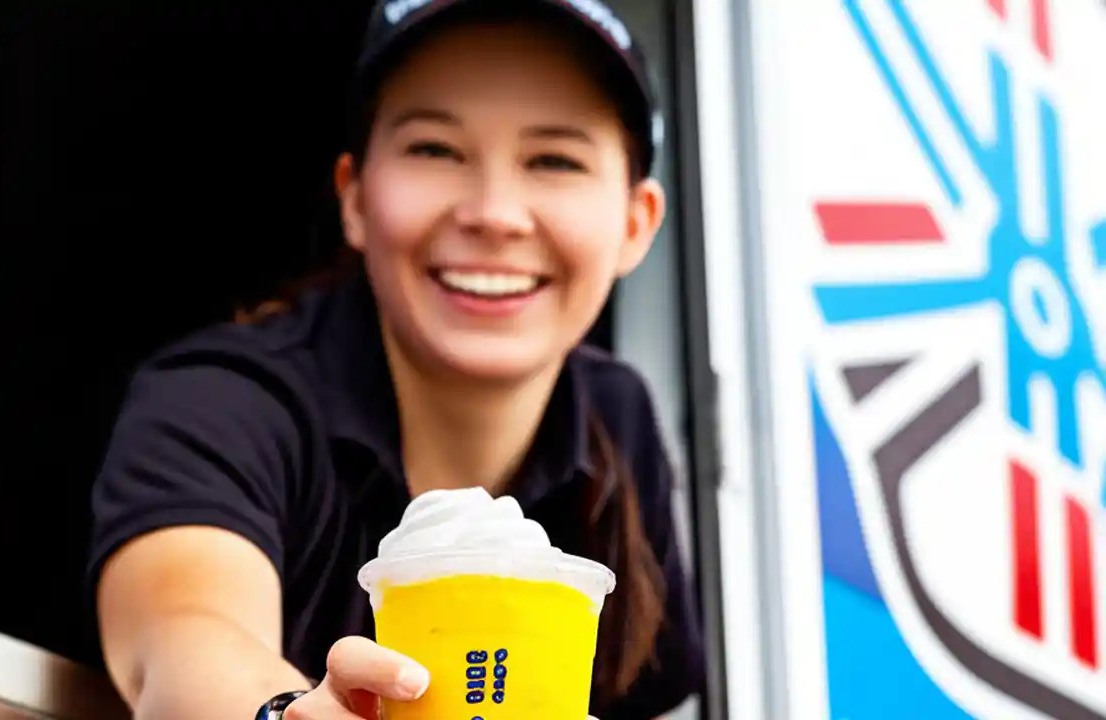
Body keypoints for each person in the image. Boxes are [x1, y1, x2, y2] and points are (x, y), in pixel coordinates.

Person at [87, 0, 706, 718]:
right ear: (353, 198)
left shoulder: (616, 418)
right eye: (435, 149)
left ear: (636, 224)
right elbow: (185, 636)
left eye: (554, 160)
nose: (494, 212)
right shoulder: (222, 400)